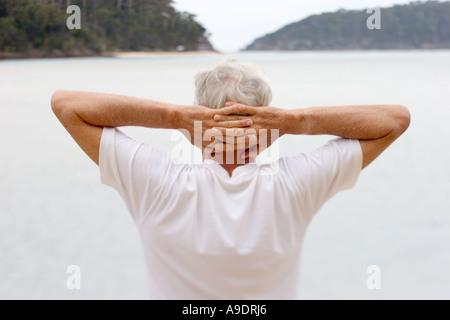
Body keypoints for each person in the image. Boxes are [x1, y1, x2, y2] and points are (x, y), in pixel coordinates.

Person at [51, 59, 410, 299]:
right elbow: (395, 119)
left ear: (198, 113)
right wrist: (294, 121)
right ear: (266, 117)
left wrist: (177, 118)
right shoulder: (296, 184)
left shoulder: (156, 182)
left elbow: (67, 105)